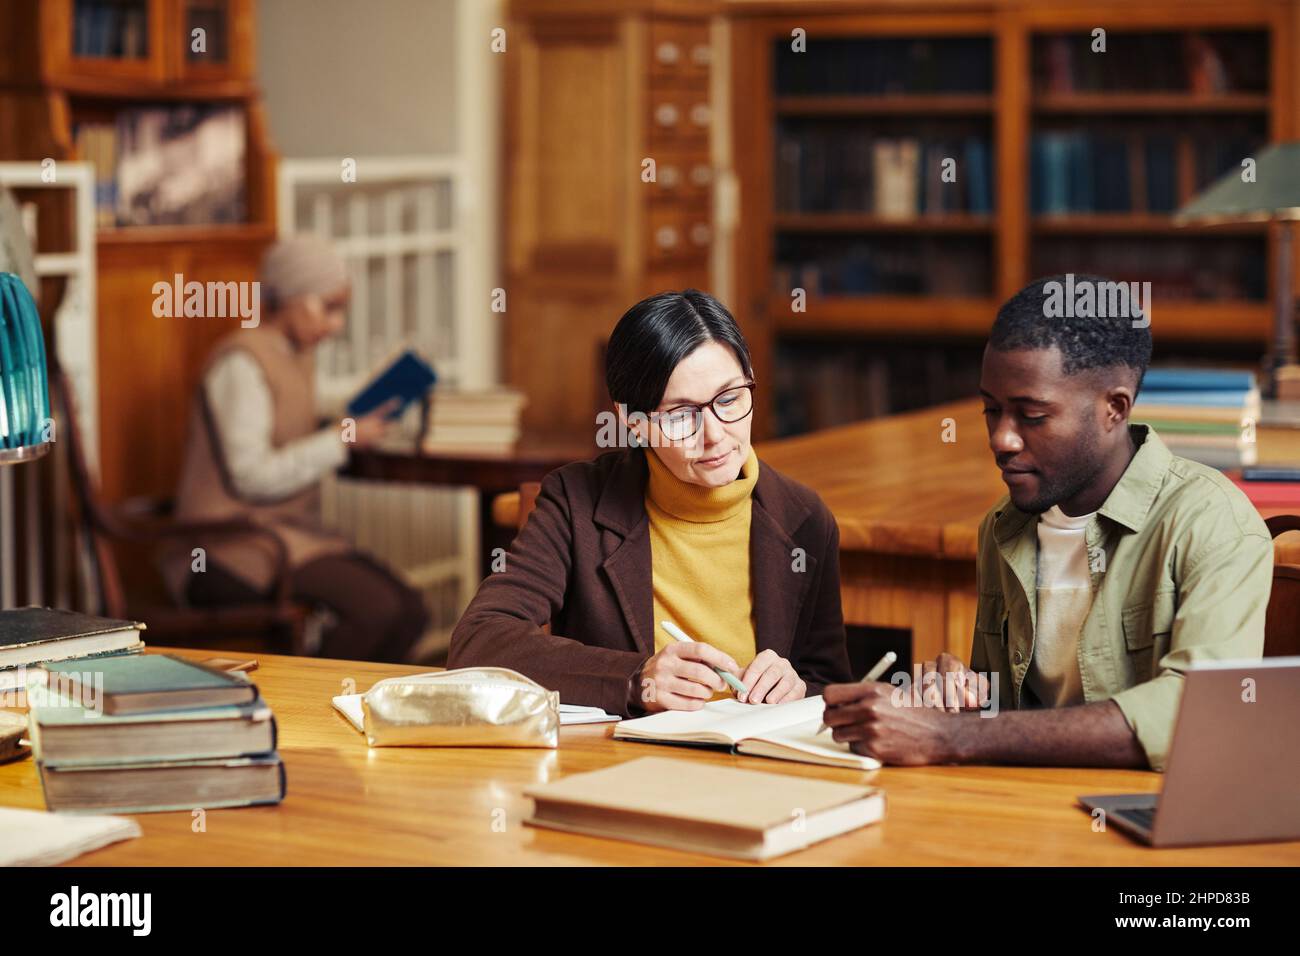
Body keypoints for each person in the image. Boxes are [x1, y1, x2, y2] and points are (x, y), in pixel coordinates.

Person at [823, 274, 1273, 770]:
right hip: (1029, 811)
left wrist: (953, 734)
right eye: (991, 411)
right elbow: (1011, 719)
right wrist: (964, 697)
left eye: (1031, 416)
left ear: (1114, 408)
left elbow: (1201, 715)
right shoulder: (1003, 527)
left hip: (1148, 821)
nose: (1002, 439)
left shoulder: (1211, 524)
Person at [449, 289, 852, 716]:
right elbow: (479, 642)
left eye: (730, 399)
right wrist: (635, 678)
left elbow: (831, 686)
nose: (714, 435)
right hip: (620, 766)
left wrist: (800, 689)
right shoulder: (576, 504)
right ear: (632, 422)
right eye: (680, 415)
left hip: (756, 765)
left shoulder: (804, 518)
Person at [164, 235, 428, 663]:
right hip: (226, 548)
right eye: (329, 307)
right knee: (377, 611)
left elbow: (288, 428)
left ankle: (342, 704)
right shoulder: (241, 364)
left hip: (276, 537)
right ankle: (313, 705)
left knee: (411, 610)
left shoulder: (296, 356)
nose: (337, 323)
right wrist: (341, 439)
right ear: (291, 298)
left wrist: (344, 424)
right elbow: (251, 476)